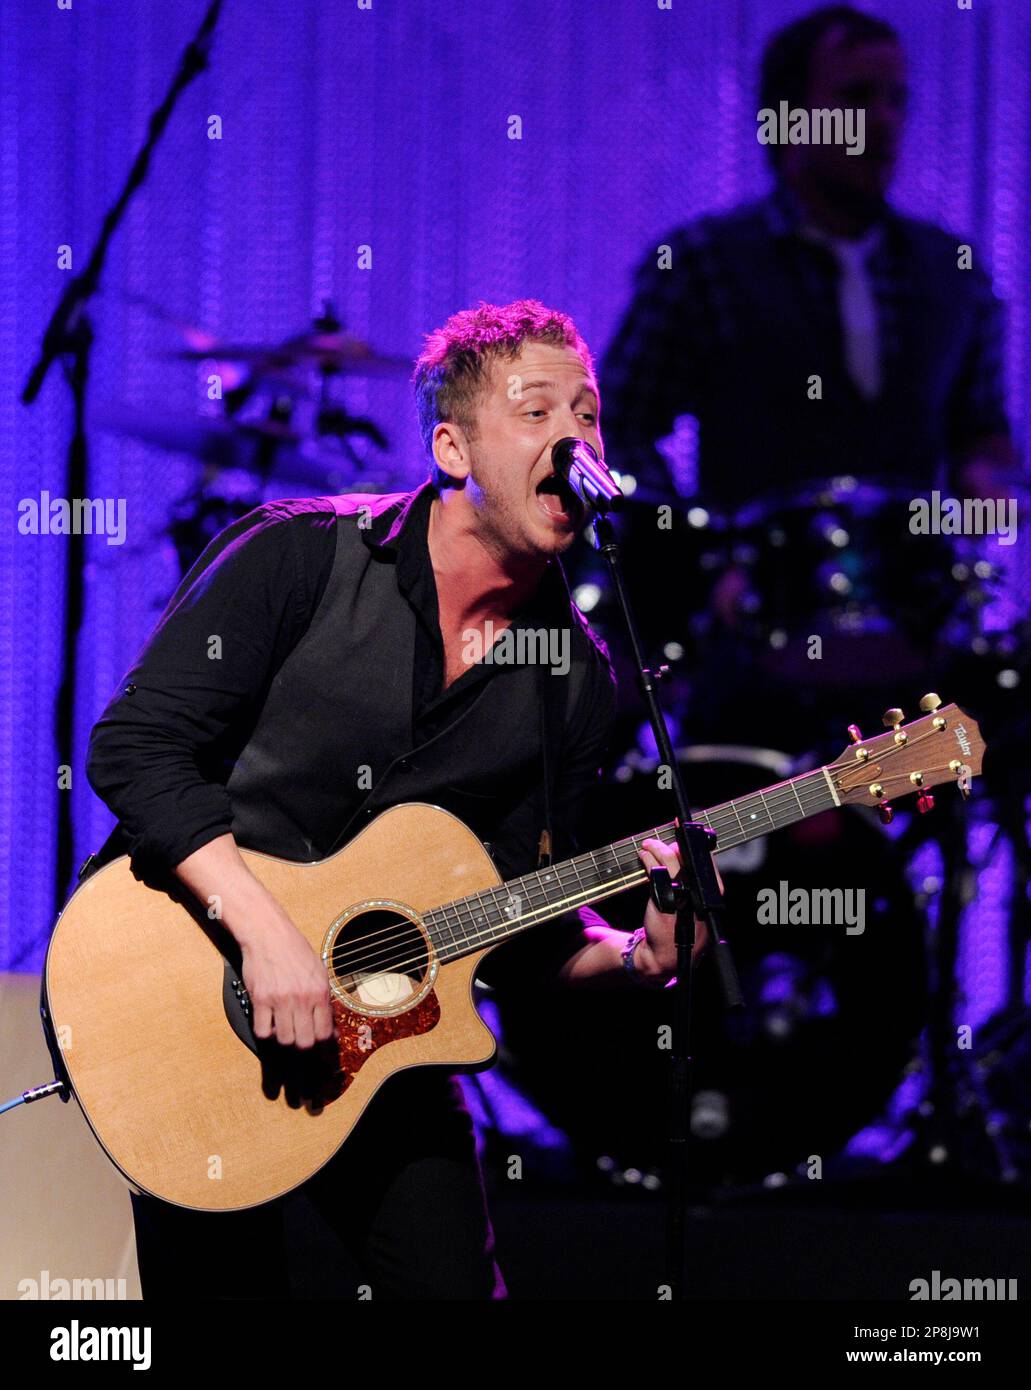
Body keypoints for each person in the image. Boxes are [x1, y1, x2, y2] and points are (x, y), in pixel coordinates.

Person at [85, 298, 707, 1300]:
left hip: (383, 1041)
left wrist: (634, 955)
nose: (573, 438)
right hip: (183, 993)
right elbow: (134, 750)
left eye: (587, 415)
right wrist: (264, 931)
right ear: (452, 449)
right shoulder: (298, 556)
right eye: (536, 411)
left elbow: (516, 924)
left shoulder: (581, 683)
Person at [599, 4, 1017, 509]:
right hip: (751, 584)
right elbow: (615, 427)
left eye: (897, 99)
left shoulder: (956, 273)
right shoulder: (704, 263)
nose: (884, 121)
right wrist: (691, 550)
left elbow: (981, 433)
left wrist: (988, 483)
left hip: (917, 584)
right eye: (856, 97)